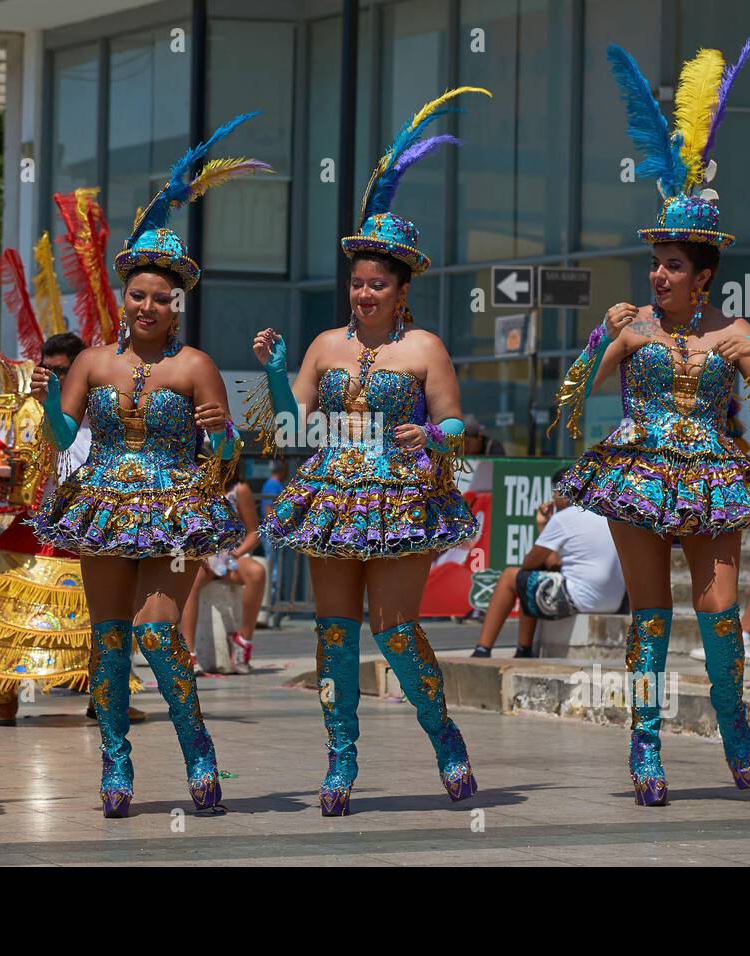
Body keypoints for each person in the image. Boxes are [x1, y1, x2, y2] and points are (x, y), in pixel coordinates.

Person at [552, 30, 750, 806]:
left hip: (714, 478)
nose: (658, 275)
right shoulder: (635, 327)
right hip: (635, 475)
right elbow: (574, 393)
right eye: (655, 263)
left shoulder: (732, 335)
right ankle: (645, 751)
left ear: (704, 275)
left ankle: (733, 724)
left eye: (673, 266)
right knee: (649, 620)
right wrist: (600, 334)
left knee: (720, 617)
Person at [249, 88, 489, 816]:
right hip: (329, 492)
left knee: (395, 629)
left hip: (400, 496)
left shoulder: (424, 347)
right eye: (356, 283)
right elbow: (290, 423)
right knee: (331, 637)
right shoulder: (325, 345)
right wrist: (272, 369)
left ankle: (443, 736)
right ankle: (340, 762)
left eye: (376, 284)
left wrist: (429, 434)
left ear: (401, 289)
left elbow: (458, 426)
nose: (362, 295)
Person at [30, 114, 267, 818]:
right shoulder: (94, 363)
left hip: (171, 509)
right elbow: (60, 433)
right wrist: (43, 391)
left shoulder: (195, 366)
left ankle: (198, 756)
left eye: (161, 297)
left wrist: (222, 433)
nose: (147, 305)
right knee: (105, 644)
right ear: (124, 296)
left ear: (177, 305)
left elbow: (224, 459)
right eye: (138, 293)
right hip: (101, 503)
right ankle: (116, 767)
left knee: (159, 635)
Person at [0, 328, 144, 725]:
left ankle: (105, 700)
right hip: (36, 531)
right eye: (46, 369)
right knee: (16, 620)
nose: (52, 378)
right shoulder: (20, 410)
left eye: (63, 371)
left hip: (93, 531)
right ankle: (6, 699)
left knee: (102, 621)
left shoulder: (108, 412)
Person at [471, 468, 624, 657]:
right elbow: (555, 565)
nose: (553, 499)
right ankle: (523, 649)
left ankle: (483, 649)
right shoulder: (607, 514)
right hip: (614, 601)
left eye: (555, 492)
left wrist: (542, 526)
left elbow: (529, 563)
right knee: (532, 580)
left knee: (511, 576)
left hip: (584, 598)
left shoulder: (564, 518)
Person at [179, 477, 265, 673]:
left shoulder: (239, 489)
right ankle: (188, 653)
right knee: (190, 579)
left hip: (231, 557)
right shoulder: (192, 484)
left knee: (257, 572)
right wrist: (200, 555)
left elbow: (254, 533)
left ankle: (242, 640)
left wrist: (233, 554)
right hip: (201, 556)